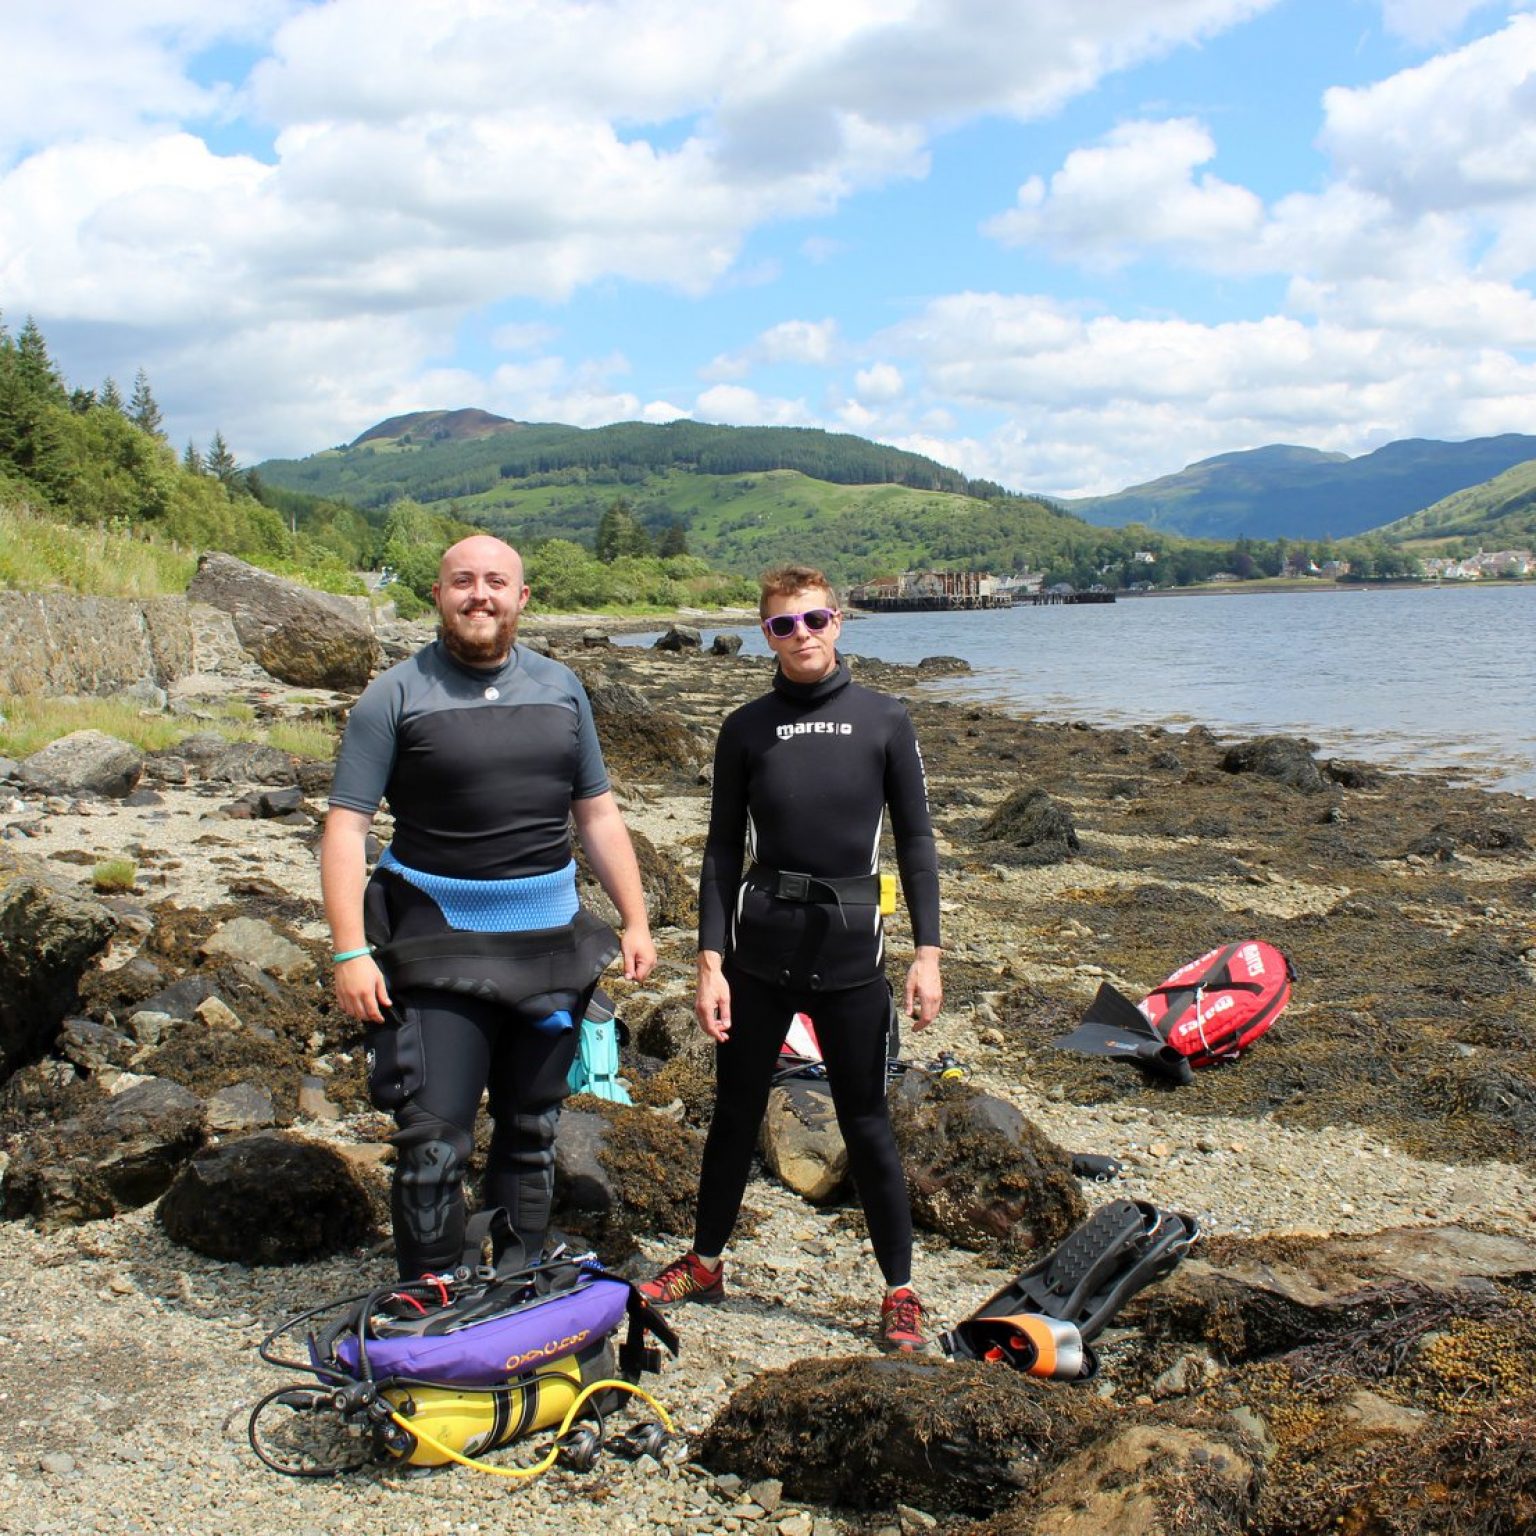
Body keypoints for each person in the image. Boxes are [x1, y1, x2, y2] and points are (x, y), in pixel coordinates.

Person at [321, 534, 655, 1279]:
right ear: (438, 595)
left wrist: (634, 919)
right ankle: (430, 1294)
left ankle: (517, 1279)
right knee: (433, 1142)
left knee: (532, 1130)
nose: (481, 595)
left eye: (497, 582)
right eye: (464, 581)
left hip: (549, 947)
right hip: (435, 943)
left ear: (521, 597)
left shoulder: (561, 687)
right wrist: (349, 950)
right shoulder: (394, 695)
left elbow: (597, 813)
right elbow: (345, 828)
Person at [639, 563, 943, 1352]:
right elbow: (719, 850)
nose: (801, 635)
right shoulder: (745, 728)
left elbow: (915, 841)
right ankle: (706, 1263)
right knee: (734, 1113)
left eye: (813, 620)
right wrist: (709, 961)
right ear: (765, 634)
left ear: (837, 621)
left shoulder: (885, 719)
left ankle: (899, 1291)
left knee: (867, 1121)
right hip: (758, 953)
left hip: (851, 955)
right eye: (783, 624)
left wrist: (928, 952)